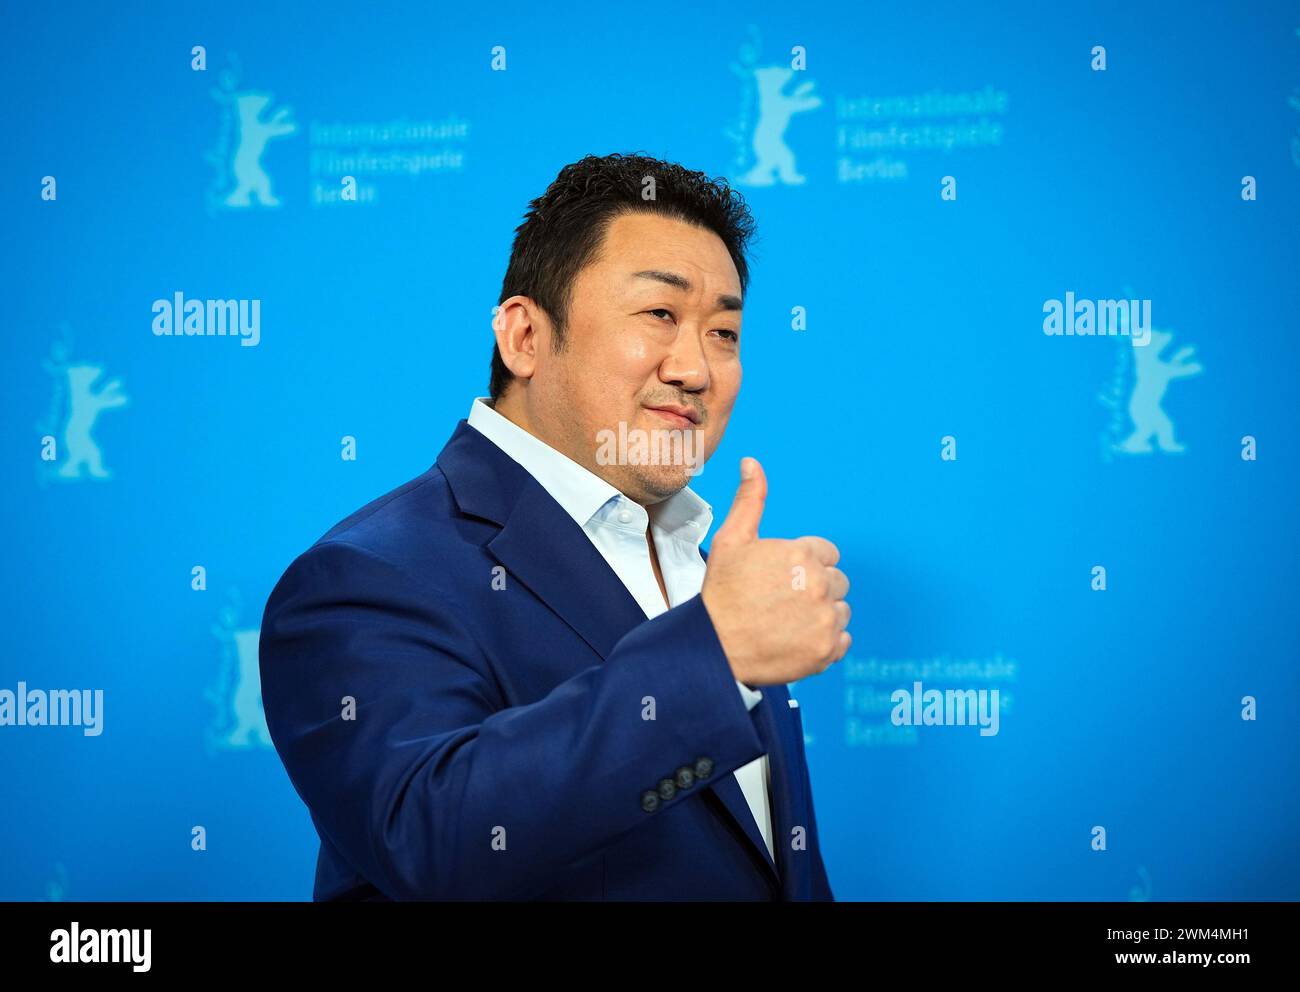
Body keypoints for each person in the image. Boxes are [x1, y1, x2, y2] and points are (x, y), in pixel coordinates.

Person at [258, 151, 851, 901]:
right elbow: (428, 836)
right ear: (525, 338)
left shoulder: (705, 564)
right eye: (660, 314)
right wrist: (715, 655)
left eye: (725, 333)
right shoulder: (365, 576)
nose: (697, 368)